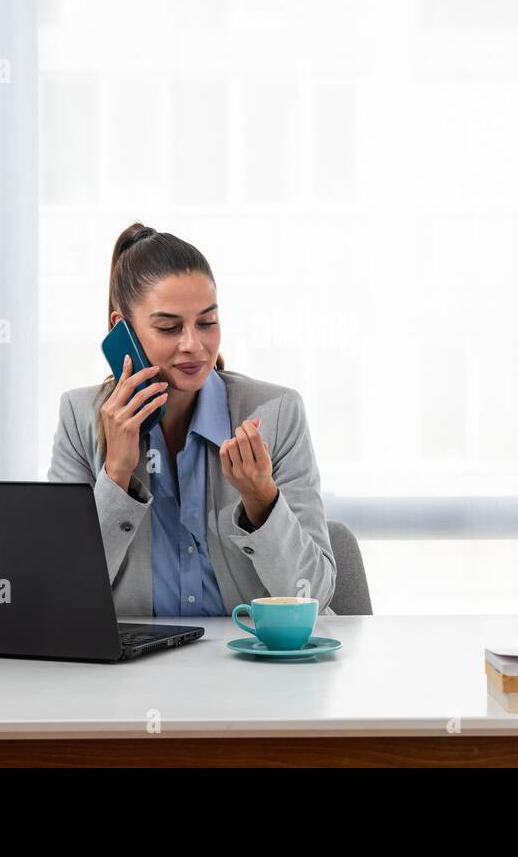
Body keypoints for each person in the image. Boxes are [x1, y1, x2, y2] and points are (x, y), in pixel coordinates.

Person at [47, 222, 337, 618]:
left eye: (207, 322)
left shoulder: (276, 413)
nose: (193, 345)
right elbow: (60, 593)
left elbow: (314, 598)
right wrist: (115, 475)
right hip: (133, 674)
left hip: (250, 666)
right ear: (122, 329)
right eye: (169, 327)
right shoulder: (79, 418)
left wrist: (261, 502)